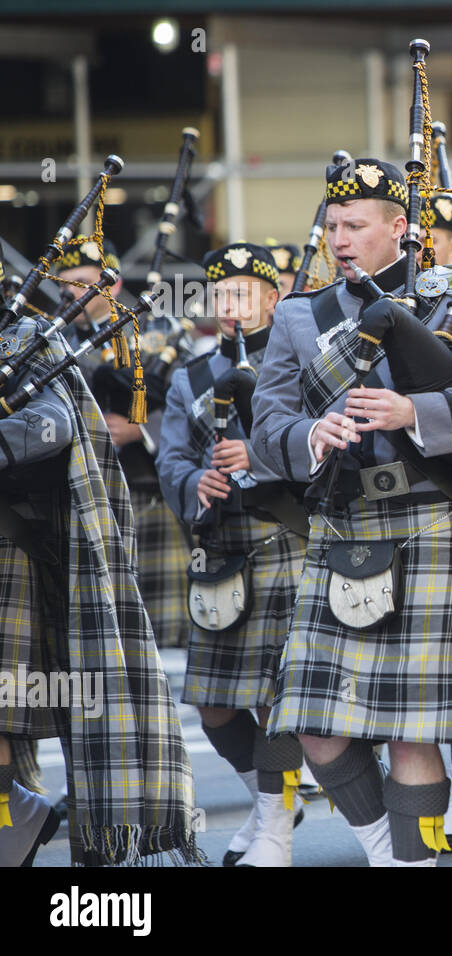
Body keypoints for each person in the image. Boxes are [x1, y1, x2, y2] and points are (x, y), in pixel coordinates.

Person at [251, 158, 452, 866]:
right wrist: (307, 435)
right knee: (314, 726)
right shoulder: (299, 316)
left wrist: (415, 408)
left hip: (430, 520)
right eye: (331, 227)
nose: (340, 239)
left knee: (413, 730)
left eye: (355, 225)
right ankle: (389, 851)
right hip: (341, 524)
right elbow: (266, 428)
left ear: (399, 228)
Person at [0, 304, 200, 866]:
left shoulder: (22, 337)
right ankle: (16, 813)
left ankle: (13, 819)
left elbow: (56, 423)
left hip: (15, 545)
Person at [158, 241, 311, 866]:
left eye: (244, 293)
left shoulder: (300, 364)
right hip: (222, 549)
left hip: (287, 539)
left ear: (273, 299)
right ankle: (272, 801)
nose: (231, 305)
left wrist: (260, 457)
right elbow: (169, 458)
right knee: (214, 703)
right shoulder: (188, 377)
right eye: (221, 294)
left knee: (279, 699)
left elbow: (323, 444)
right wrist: (197, 481)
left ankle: (274, 829)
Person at [54, 236, 193, 647]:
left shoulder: (158, 332)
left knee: (165, 636)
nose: (71, 293)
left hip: (149, 497)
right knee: (97, 634)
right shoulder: (53, 342)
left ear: (111, 284)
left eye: (82, 282)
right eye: (65, 285)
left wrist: (143, 428)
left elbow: (194, 405)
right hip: (79, 500)